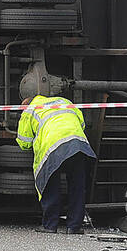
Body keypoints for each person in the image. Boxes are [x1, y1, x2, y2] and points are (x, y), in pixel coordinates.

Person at [16, 95, 97, 233]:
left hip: (52, 146)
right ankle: (74, 226)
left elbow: (24, 142)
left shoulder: (30, 110)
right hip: (77, 143)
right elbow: (81, 124)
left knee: (50, 184)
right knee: (77, 186)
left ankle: (50, 225)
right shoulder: (65, 101)